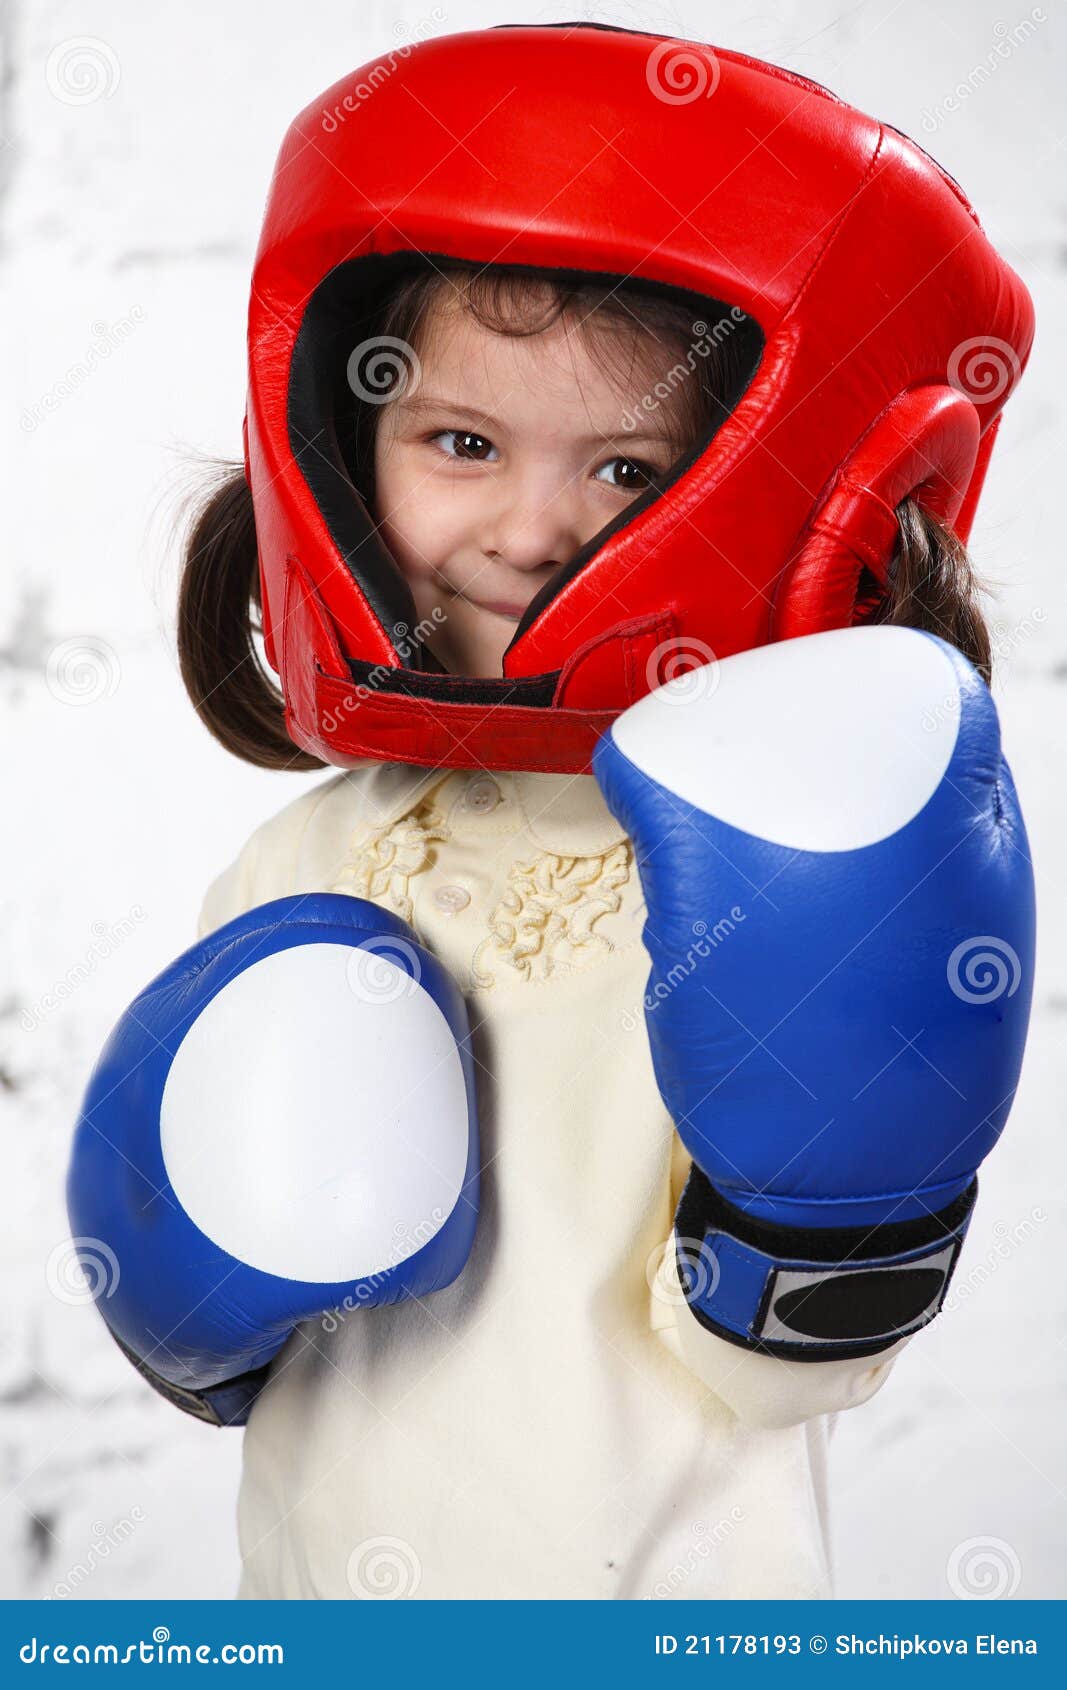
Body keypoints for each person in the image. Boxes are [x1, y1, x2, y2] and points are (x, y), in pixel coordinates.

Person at [67, 25, 1036, 1600]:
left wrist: (841, 1216)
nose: (530, 529)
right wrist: (177, 1281)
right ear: (340, 438)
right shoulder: (301, 861)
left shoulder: (774, 855)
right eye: (462, 440)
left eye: (628, 469)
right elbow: (229, 1351)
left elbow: (784, 1376)